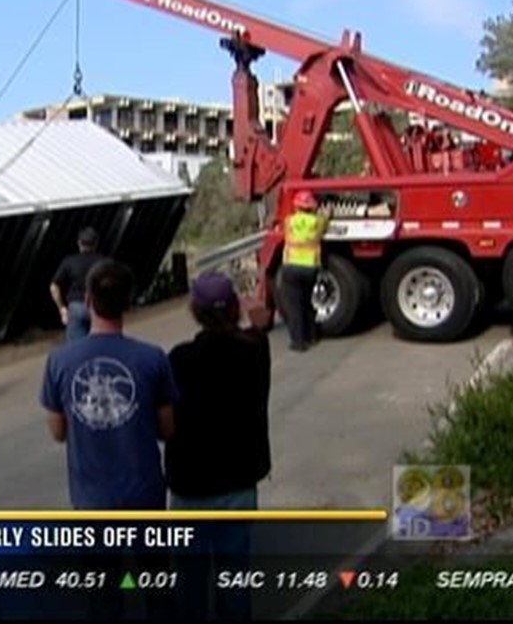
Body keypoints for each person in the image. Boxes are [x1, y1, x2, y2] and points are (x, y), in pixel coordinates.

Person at [39, 259, 177, 619]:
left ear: (86, 299)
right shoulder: (153, 358)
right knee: (156, 586)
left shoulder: (59, 362)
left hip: (92, 497)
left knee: (103, 596)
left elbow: (57, 432)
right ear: (128, 302)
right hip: (145, 492)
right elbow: (168, 430)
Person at [166, 271, 272, 621]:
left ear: (195, 311)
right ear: (233, 308)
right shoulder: (254, 351)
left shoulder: (179, 358)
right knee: (234, 580)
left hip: (190, 485)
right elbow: (255, 334)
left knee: (190, 582)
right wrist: (260, 323)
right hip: (239, 481)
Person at [278, 190, 331, 352]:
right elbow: (325, 222)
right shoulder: (317, 222)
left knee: (294, 306)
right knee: (308, 303)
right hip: (310, 268)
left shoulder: (289, 221)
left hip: (290, 268)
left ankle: (299, 343)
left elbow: (283, 229)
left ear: (297, 206)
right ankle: (312, 336)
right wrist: (326, 213)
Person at [50, 227, 106, 342]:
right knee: (100, 345)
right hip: (98, 307)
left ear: (79, 243)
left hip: (76, 307)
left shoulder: (69, 261)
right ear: (96, 243)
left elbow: (54, 286)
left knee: (76, 347)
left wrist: (62, 308)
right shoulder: (103, 262)